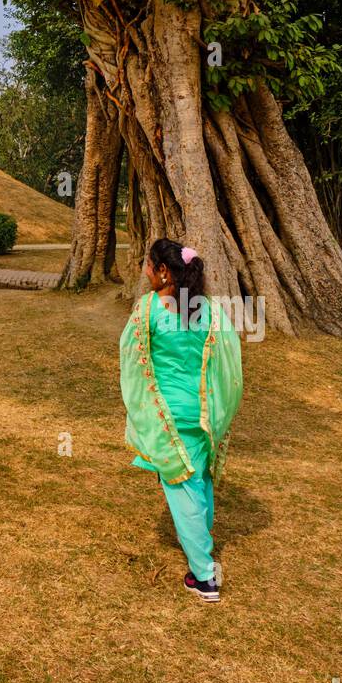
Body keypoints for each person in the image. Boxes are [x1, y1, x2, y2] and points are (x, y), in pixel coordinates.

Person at [119, 238, 243, 603]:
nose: (144, 271)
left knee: (181, 483)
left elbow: (131, 358)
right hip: (203, 413)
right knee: (200, 479)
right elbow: (229, 362)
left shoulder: (148, 309)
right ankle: (202, 549)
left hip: (168, 416)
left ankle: (205, 576)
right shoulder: (210, 310)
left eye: (148, 264)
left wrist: (142, 409)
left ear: (163, 272)